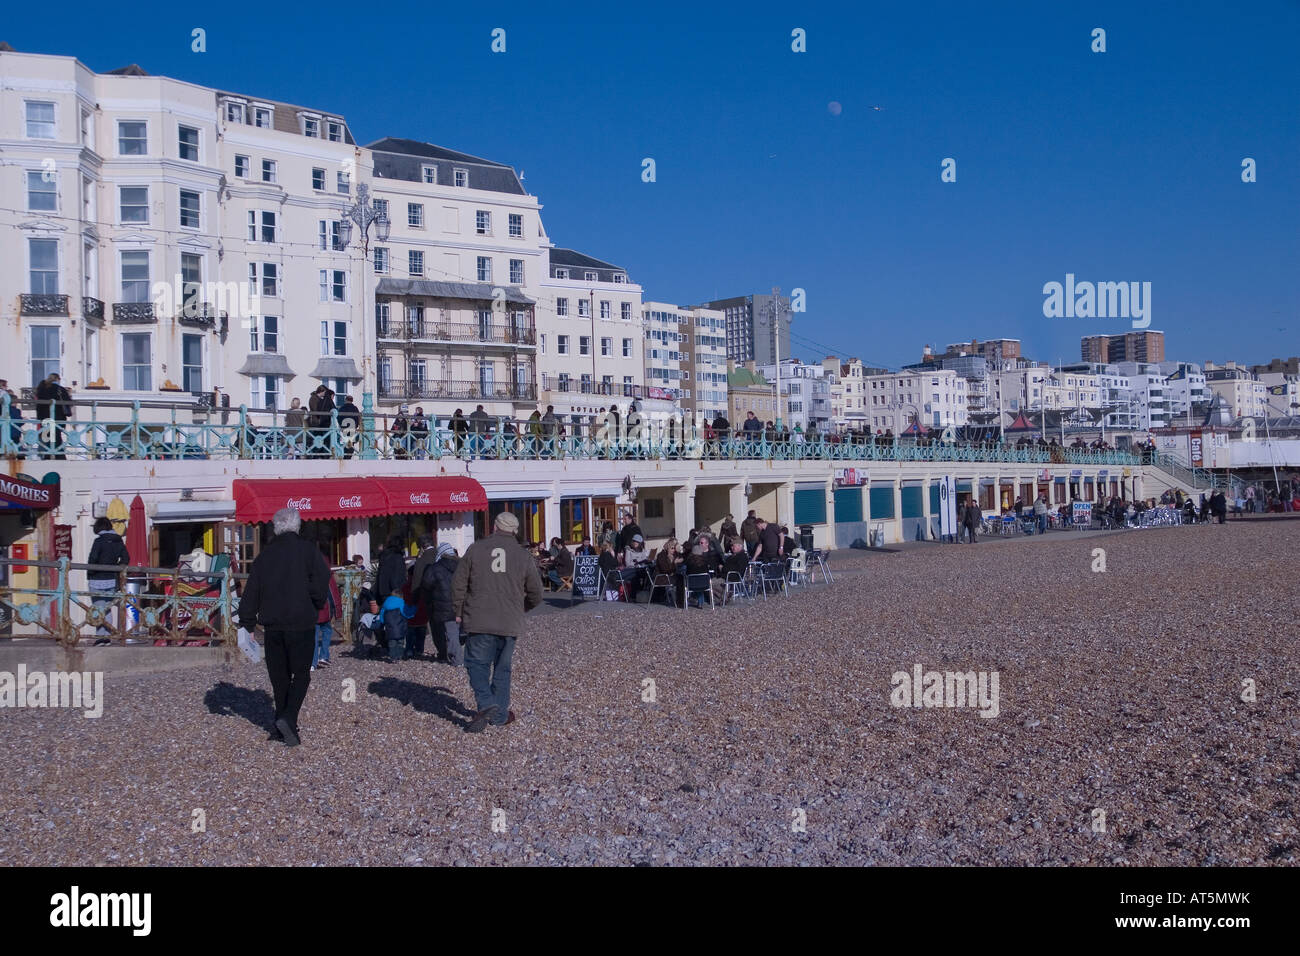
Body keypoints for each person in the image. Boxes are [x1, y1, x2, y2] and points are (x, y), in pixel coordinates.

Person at [237, 507, 327, 747]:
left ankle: (280, 724)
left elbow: (251, 591)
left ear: (276, 528)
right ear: (297, 526)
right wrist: (316, 602)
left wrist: (246, 623)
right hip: (301, 622)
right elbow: (322, 580)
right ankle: (288, 718)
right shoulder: (308, 551)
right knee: (300, 675)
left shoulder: (265, 555)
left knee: (279, 677)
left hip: (273, 625)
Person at [451, 511, 543, 732]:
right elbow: (537, 593)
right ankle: (499, 715)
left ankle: (486, 703)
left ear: (494, 527)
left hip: (479, 618)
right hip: (509, 621)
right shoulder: (523, 556)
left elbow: (458, 584)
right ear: (514, 531)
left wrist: (458, 610)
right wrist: (522, 608)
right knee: (502, 669)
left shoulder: (475, 549)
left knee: (476, 664)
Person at [86, 516, 129, 644]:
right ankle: (108, 636)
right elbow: (126, 558)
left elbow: (92, 559)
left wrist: (90, 574)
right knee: (107, 608)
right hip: (112, 580)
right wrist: (116, 568)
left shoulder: (98, 541)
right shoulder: (118, 540)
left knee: (99, 608)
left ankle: (101, 637)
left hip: (97, 580)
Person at [421, 542, 461, 664]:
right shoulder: (461, 565)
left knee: (443, 632)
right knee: (455, 631)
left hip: (440, 604)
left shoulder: (435, 568)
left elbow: (426, 585)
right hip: (460, 603)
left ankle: (456, 658)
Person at [312, 550, 340, 670]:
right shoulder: (328, 576)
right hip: (325, 610)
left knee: (313, 636)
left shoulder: (307, 575)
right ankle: (323, 656)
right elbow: (334, 595)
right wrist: (337, 610)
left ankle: (312, 663)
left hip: (312, 611)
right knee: (326, 632)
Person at [34, 372, 72, 459]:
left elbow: (39, 404)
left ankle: (46, 456)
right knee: (57, 437)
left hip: (44, 417)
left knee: (46, 437)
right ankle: (60, 456)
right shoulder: (60, 389)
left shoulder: (41, 389)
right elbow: (68, 401)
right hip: (58, 417)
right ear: (58, 379)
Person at [375, 534, 408, 601]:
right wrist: (399, 593)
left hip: (383, 591)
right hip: (394, 593)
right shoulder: (397, 557)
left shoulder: (384, 556)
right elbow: (396, 577)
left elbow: (380, 575)